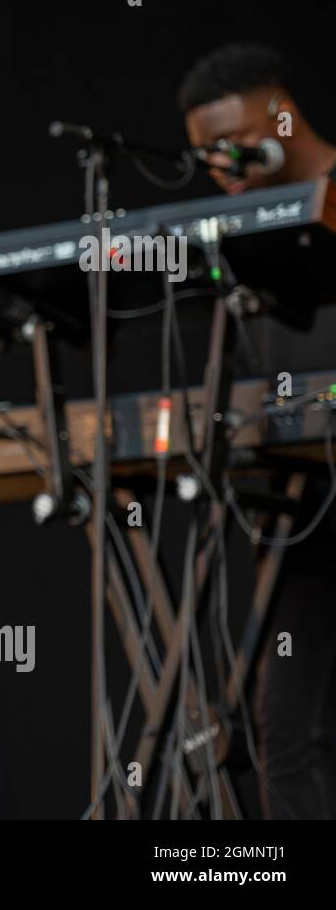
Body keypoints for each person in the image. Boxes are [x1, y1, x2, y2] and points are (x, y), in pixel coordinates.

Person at [179, 43, 336, 819]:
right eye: (207, 156)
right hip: (306, 520)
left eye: (237, 144)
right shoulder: (245, 237)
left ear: (283, 115)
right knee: (285, 730)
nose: (223, 166)